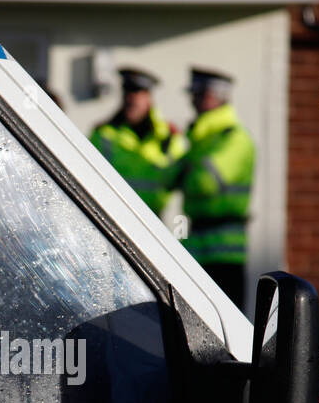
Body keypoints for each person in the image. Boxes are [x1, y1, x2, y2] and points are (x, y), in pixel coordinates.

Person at [174, 67, 255, 310]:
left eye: (197, 95)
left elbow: (205, 183)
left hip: (224, 254)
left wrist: (184, 169)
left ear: (213, 97)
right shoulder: (202, 138)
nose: (192, 102)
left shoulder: (235, 139)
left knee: (225, 334)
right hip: (197, 248)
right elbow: (170, 176)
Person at [89, 67, 186, 215]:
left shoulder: (168, 136)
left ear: (149, 98)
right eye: (127, 95)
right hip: (112, 217)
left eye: (136, 98)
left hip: (154, 219)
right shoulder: (104, 135)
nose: (130, 100)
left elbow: (181, 177)